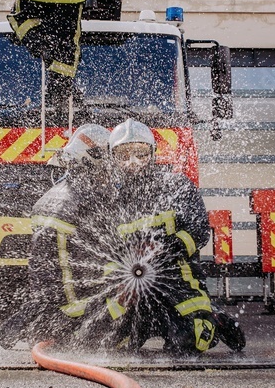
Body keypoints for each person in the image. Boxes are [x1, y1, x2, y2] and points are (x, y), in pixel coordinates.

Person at [101, 119, 246, 355]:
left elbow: (199, 232)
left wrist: (165, 251)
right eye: (123, 155)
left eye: (140, 154)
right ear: (112, 158)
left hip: (178, 285)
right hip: (134, 292)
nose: (133, 162)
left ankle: (215, 318)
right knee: (106, 343)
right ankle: (142, 326)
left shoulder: (176, 186)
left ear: (154, 155)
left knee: (190, 342)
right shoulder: (111, 201)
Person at [0, 124, 114, 349]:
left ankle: (39, 322)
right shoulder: (87, 200)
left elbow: (44, 266)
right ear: (91, 160)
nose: (107, 175)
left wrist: (36, 308)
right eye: (105, 168)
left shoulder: (53, 195)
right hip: (74, 312)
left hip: (48, 301)